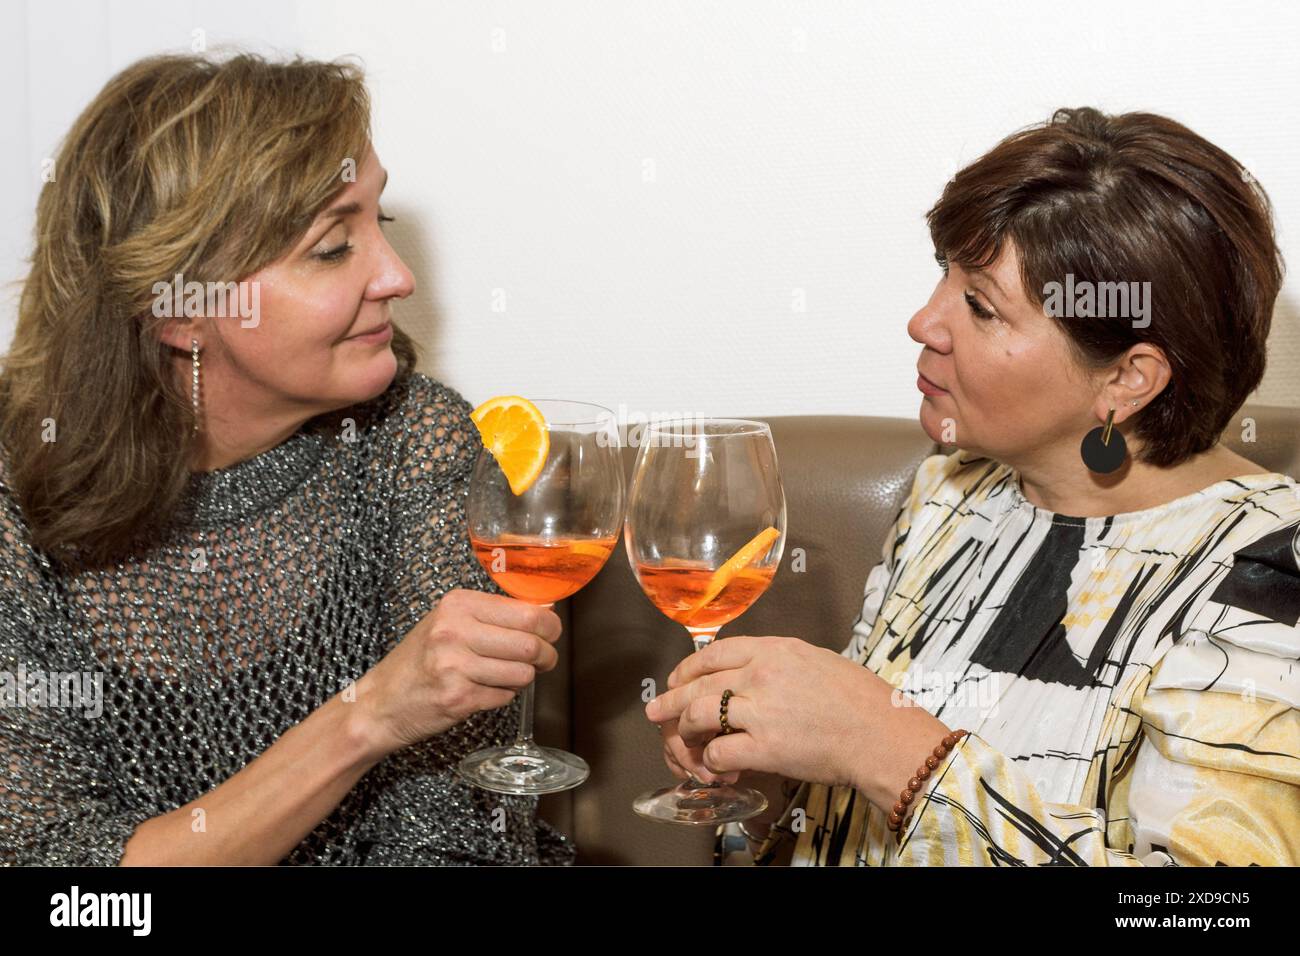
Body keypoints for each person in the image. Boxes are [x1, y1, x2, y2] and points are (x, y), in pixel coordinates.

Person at [647, 107, 1300, 866]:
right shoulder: (952, 493)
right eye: (943, 276)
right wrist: (786, 754)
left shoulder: (1270, 575)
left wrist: (888, 747)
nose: (923, 321)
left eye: (982, 306)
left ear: (1127, 379)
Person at [0, 51, 573, 866]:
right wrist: (366, 716)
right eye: (334, 246)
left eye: (384, 224)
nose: (399, 276)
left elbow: (452, 846)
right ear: (182, 311)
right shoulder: (13, 503)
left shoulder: (417, 445)